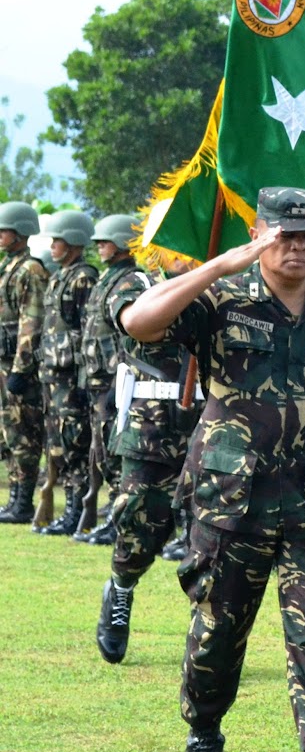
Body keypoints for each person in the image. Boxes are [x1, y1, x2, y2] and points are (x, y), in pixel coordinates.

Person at [118, 187, 305, 752]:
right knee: (219, 626)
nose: (296, 246)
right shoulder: (220, 301)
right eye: (282, 234)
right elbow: (138, 322)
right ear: (259, 234)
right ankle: (204, 736)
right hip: (233, 496)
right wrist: (216, 267)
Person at [94, 250, 206, 666]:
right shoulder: (136, 283)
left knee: (212, 535)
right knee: (141, 524)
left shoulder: (221, 290)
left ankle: (207, 636)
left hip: (211, 426)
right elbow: (141, 324)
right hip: (150, 429)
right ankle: (121, 588)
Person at [74, 214, 144, 545]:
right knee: (100, 451)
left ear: (120, 243)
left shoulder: (130, 280)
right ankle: (112, 517)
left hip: (116, 379)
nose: (99, 246)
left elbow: (130, 334)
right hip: (97, 378)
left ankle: (120, 524)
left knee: (114, 452)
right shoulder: (108, 277)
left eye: (105, 241)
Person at [35, 211, 100, 536]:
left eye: (57, 240)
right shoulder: (61, 275)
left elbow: (87, 331)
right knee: (60, 442)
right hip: (53, 375)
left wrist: (85, 379)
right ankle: (71, 509)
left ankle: (78, 512)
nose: (53, 245)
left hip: (72, 378)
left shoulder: (83, 277)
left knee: (75, 444)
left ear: (74, 241)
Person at [0, 201, 48, 525]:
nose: (0, 235)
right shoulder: (9, 267)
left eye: (4, 230)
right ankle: (14, 496)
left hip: (17, 368)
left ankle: (23, 503)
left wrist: (21, 369)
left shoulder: (29, 269)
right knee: (8, 434)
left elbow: (31, 321)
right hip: (4, 364)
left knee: (23, 435)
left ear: (20, 232)